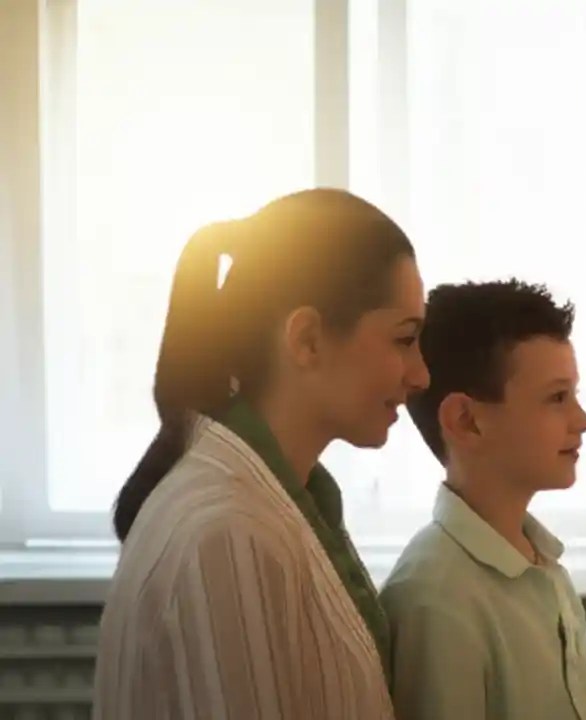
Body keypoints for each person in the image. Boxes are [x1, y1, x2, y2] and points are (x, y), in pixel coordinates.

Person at [92, 189, 430, 719]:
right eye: (404, 340)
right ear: (307, 339)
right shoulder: (228, 529)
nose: (421, 375)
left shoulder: (269, 502)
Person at [380, 279, 586, 720]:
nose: (584, 420)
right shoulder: (436, 600)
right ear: (467, 421)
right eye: (557, 397)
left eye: (575, 395)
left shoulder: (545, 567)